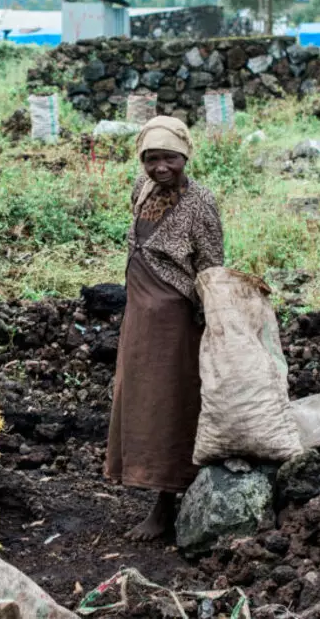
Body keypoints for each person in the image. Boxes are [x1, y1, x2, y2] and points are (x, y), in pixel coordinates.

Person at [105, 115, 226, 541]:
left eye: (169, 158)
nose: (161, 167)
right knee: (136, 398)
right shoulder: (142, 189)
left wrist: (216, 320)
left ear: (185, 155)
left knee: (169, 405)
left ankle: (165, 504)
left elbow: (212, 266)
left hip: (174, 320)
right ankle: (144, 481)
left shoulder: (201, 202)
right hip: (139, 311)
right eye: (152, 158)